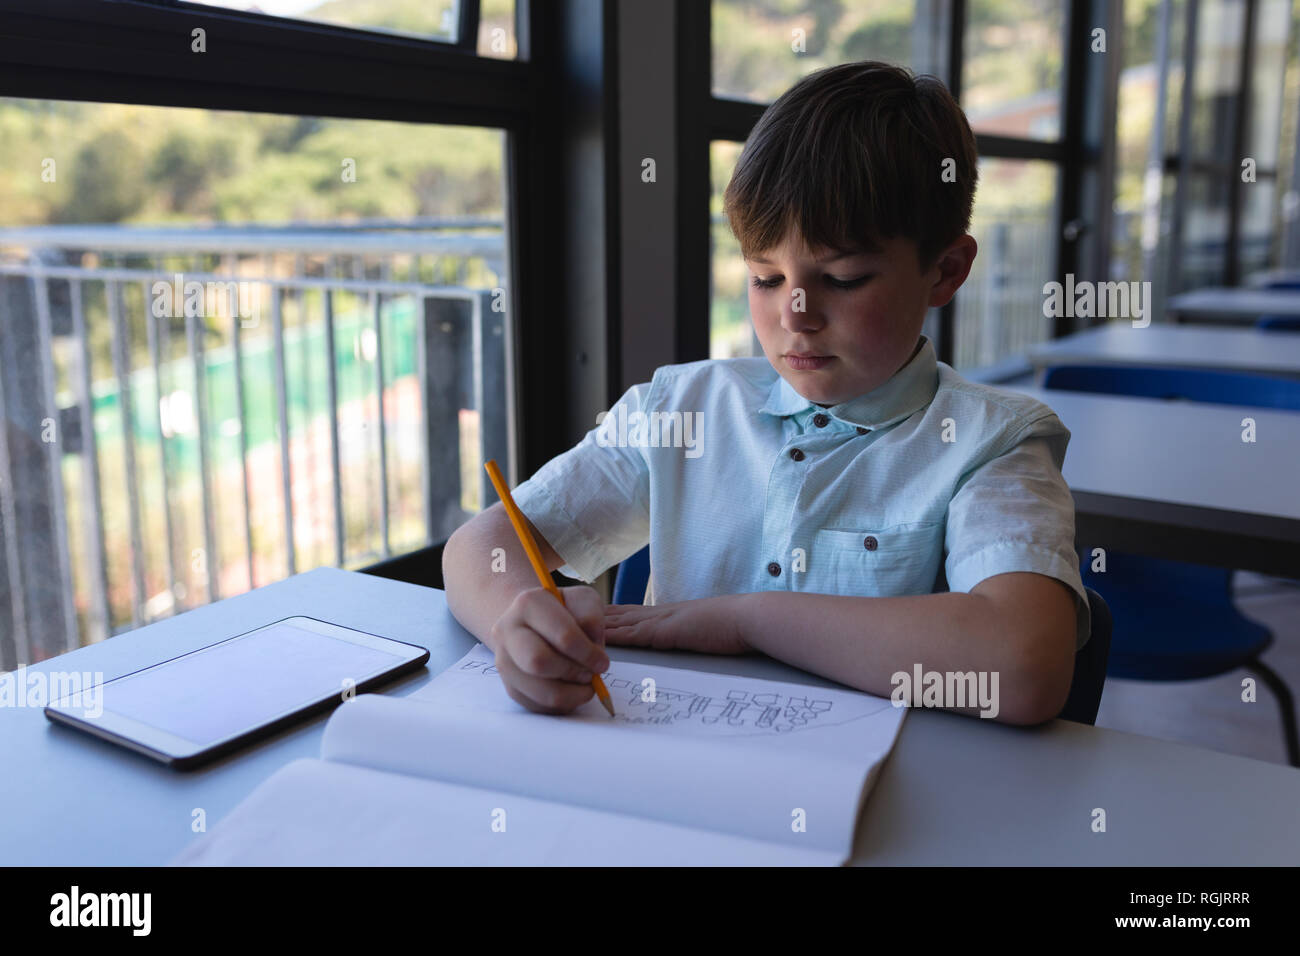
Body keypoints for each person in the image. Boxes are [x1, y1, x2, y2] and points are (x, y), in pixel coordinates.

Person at [443, 61, 1089, 725]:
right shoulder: (683, 409)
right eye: (765, 278)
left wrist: (747, 620)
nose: (796, 313)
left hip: (883, 799)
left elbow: (1024, 665)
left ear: (945, 270)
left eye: (842, 279)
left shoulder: (992, 442)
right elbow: (481, 545)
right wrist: (514, 626)